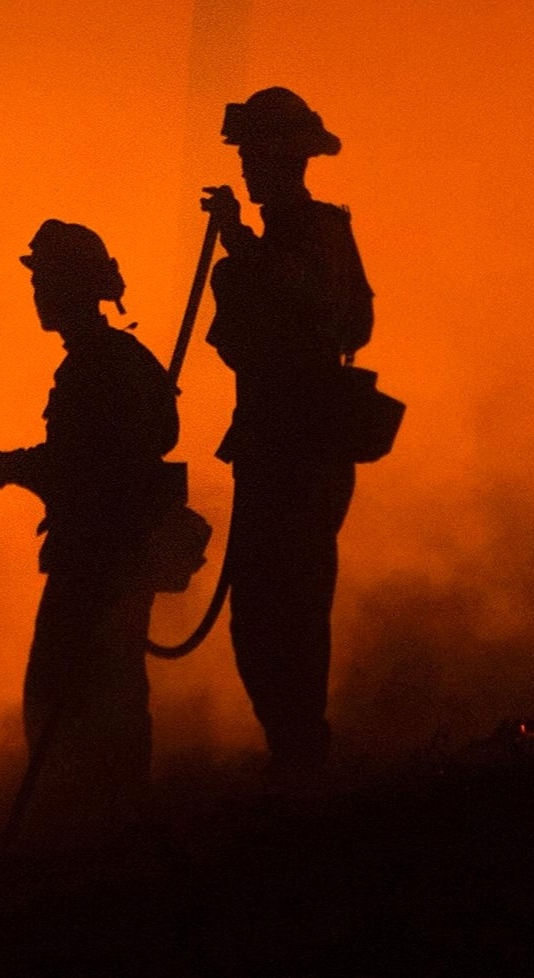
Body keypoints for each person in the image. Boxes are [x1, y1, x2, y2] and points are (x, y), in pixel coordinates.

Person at [0, 222, 179, 839]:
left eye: (45, 282)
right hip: (115, 552)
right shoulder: (118, 359)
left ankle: (87, 829)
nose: (38, 294)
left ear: (73, 288)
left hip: (99, 556)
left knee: (61, 696)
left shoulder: (97, 366)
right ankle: (114, 822)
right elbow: (151, 437)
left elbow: (78, 465)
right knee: (109, 688)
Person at [201, 86, 374, 783]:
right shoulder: (287, 239)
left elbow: (320, 304)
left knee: (289, 606)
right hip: (273, 445)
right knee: (257, 613)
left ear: (286, 159)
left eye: (255, 155)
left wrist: (240, 248)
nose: (246, 166)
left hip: (302, 447)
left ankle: (301, 757)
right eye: (244, 155)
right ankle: (292, 750)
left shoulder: (315, 232)